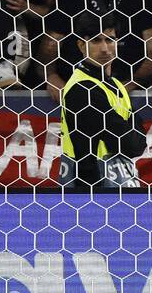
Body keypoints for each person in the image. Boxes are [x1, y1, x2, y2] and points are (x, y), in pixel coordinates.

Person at [59, 14, 146, 188]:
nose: (105, 49)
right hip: (90, 187)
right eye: (96, 41)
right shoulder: (83, 89)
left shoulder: (116, 85)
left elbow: (138, 145)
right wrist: (131, 128)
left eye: (110, 39)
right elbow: (128, 143)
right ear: (81, 45)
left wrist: (131, 133)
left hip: (117, 183)